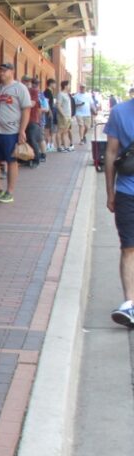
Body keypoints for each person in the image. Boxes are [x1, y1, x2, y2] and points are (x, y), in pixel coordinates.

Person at [104, 97, 134, 327]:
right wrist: (110, 193)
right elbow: (111, 153)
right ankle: (130, 304)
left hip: (125, 192)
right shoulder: (120, 112)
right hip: (126, 192)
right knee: (129, 247)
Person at [0, 63, 31, 204]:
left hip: (11, 131)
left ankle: (9, 191)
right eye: (0, 71)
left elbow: (26, 110)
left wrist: (22, 130)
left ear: (12, 71)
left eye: (4, 71)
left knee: (11, 161)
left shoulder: (19, 88)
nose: (1, 73)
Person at [56, 79, 74, 151]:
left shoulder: (67, 94)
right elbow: (58, 105)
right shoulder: (60, 94)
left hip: (68, 116)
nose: (70, 86)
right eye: (69, 85)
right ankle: (59, 147)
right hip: (63, 116)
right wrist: (63, 115)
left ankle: (65, 146)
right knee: (60, 131)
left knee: (65, 132)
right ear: (65, 86)